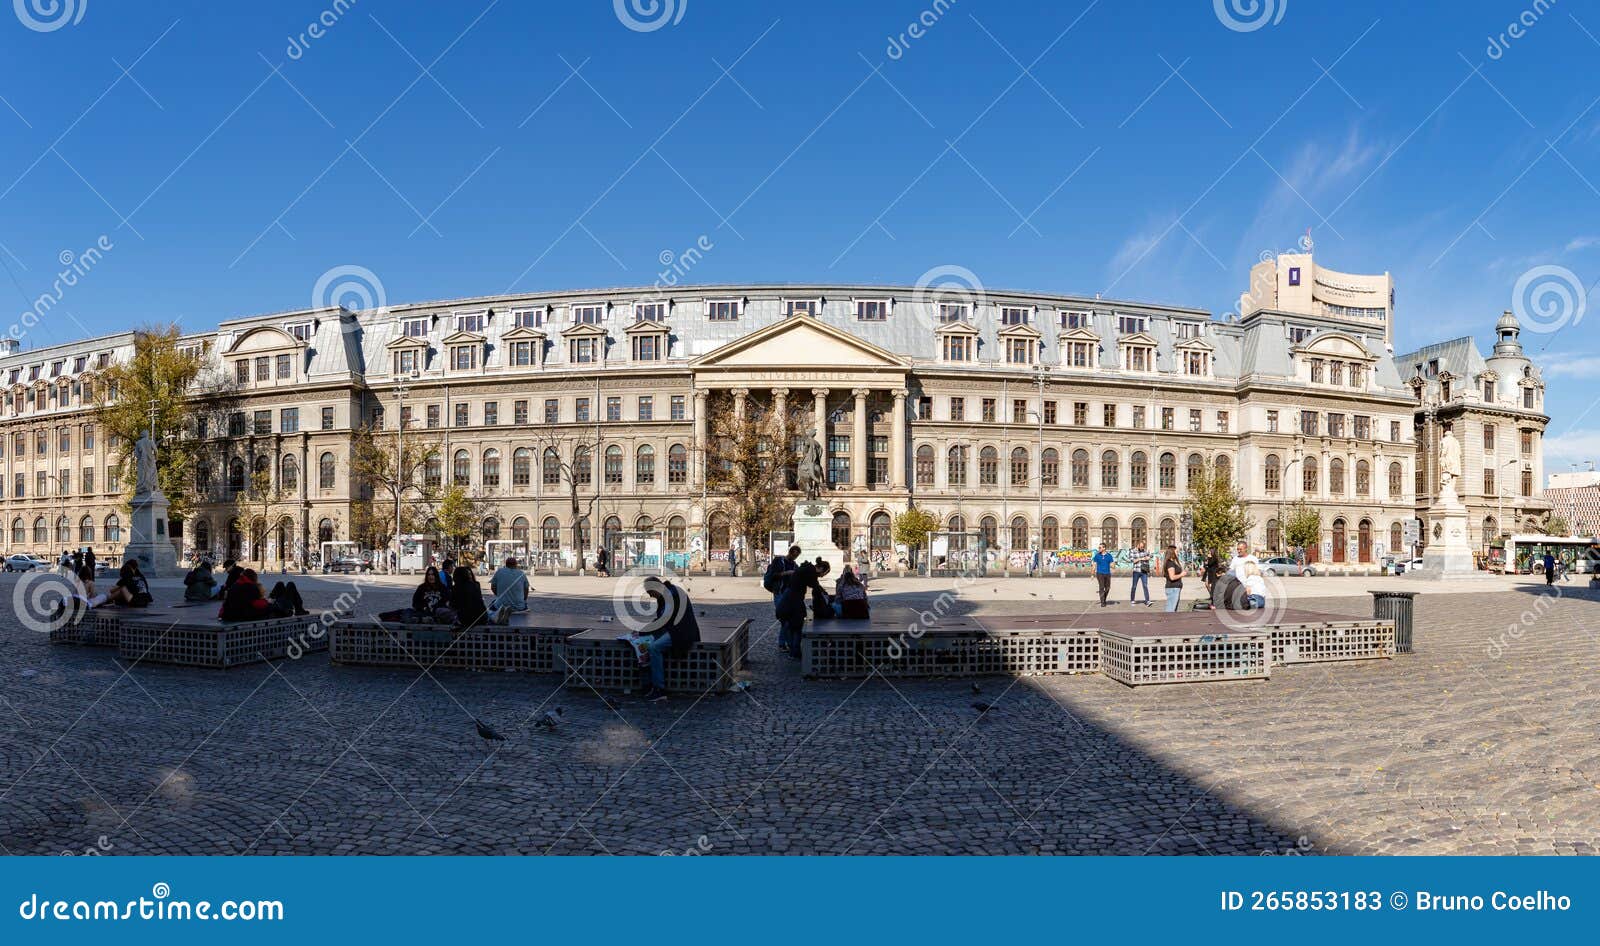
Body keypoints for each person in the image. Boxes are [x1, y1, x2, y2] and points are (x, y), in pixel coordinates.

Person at [640, 578, 701, 702]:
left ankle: (659, 689)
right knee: (646, 642)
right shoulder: (667, 594)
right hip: (675, 629)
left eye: (650, 592)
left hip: (681, 632)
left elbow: (663, 620)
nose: (650, 596)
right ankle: (648, 683)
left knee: (654, 648)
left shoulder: (671, 596)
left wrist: (643, 631)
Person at [776, 556, 826, 660]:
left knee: (791, 625)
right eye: (824, 573)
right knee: (797, 627)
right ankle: (795, 652)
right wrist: (824, 595)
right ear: (821, 568)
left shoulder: (806, 568)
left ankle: (793, 651)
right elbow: (815, 586)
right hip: (794, 600)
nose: (822, 576)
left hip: (789, 598)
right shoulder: (810, 571)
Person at [763, 545, 801, 648]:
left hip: (788, 594)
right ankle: (785, 643)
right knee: (784, 619)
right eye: (794, 555)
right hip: (779, 593)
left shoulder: (794, 565)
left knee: (787, 619)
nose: (794, 558)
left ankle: (785, 643)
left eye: (796, 556)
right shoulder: (779, 561)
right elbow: (774, 575)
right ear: (790, 553)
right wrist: (786, 573)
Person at [489, 556, 530, 624]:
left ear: (506, 564)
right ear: (516, 564)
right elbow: (526, 589)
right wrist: (523, 600)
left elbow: (493, 587)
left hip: (500, 605)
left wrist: (500, 596)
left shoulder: (499, 571)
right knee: (524, 605)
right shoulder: (521, 573)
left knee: (492, 605)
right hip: (519, 607)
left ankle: (497, 616)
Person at [450, 564, 488, 629]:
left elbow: (454, 605)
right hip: (482, 618)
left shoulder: (456, 588)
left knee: (441, 611)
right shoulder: (475, 585)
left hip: (466, 620)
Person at [1162, 546, 1186, 612]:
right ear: (1172, 552)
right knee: (1170, 610)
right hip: (1173, 588)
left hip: (1174, 588)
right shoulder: (1170, 563)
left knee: (1173, 610)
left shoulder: (1172, 562)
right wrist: (1181, 574)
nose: (1177, 553)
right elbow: (1172, 577)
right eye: (1176, 551)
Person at [1128, 541, 1152, 607]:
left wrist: (1148, 557)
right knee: (1134, 586)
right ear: (1138, 545)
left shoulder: (1145, 551)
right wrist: (1141, 558)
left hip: (1144, 571)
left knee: (1145, 586)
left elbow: (1151, 555)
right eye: (1141, 547)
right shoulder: (1132, 551)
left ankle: (1147, 601)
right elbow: (1132, 560)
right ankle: (1132, 599)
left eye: (1143, 547)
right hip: (1136, 571)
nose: (1142, 548)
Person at [1092, 543, 1114, 607]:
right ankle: (1102, 602)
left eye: (1100, 548)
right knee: (1101, 587)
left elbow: (1112, 565)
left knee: (1108, 588)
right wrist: (1092, 574)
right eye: (1099, 547)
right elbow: (1094, 565)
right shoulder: (1097, 556)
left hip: (1107, 573)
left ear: (1104, 548)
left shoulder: (1109, 556)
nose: (1099, 549)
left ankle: (1104, 598)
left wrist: (1113, 565)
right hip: (1099, 573)